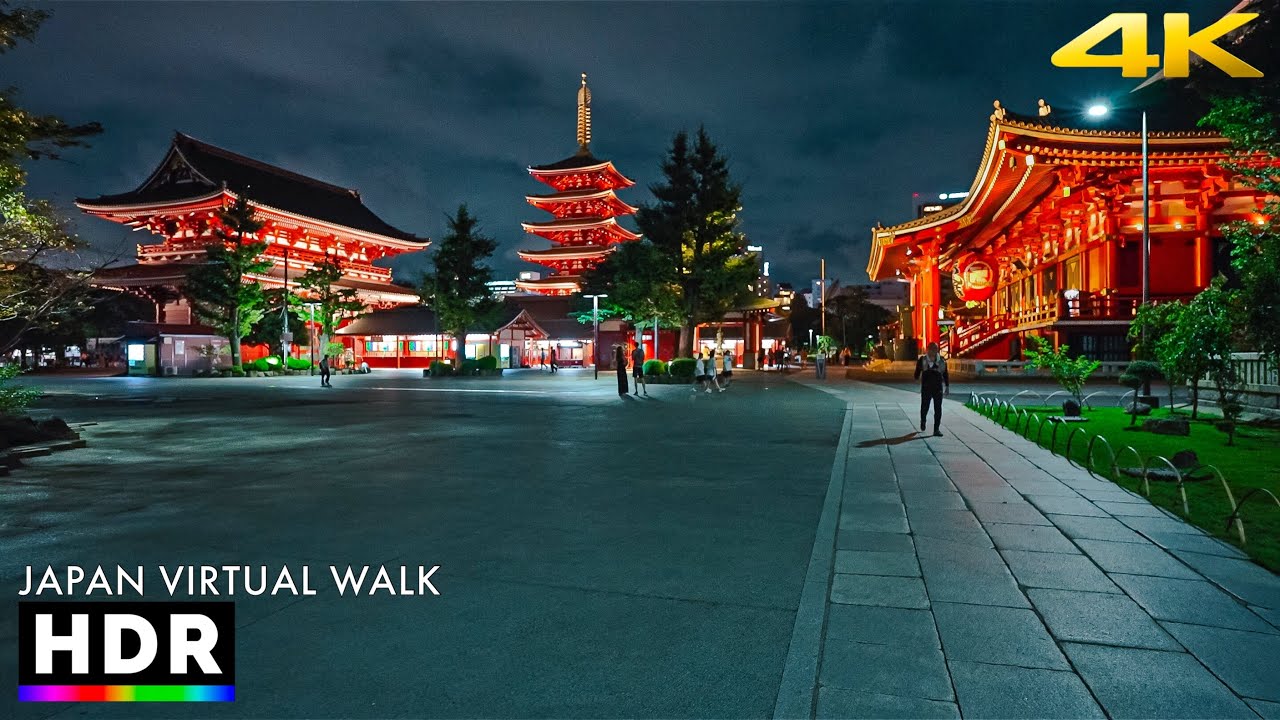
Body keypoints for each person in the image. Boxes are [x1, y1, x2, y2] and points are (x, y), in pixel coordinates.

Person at [914, 341, 950, 437]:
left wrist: (947, 386)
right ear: (927, 350)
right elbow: (917, 371)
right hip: (926, 387)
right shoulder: (922, 360)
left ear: (937, 350)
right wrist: (916, 378)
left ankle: (936, 429)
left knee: (938, 409)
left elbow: (945, 374)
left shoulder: (941, 360)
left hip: (938, 388)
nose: (933, 351)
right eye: (931, 349)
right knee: (924, 406)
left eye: (935, 349)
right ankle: (923, 420)